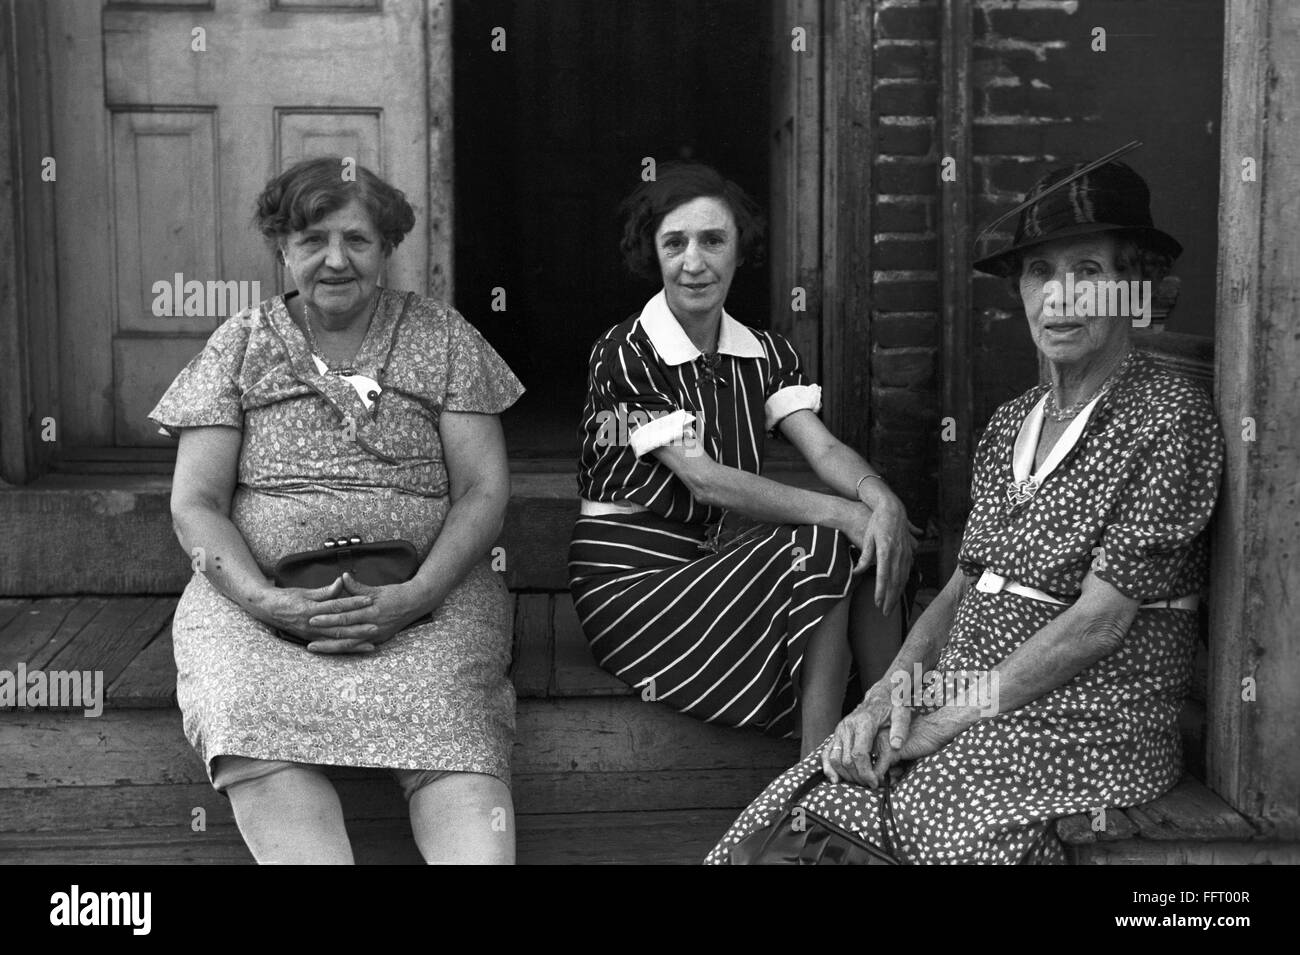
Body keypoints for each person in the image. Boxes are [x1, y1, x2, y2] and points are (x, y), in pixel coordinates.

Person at [706, 154, 1225, 864]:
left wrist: (944, 719)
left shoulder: (1168, 419)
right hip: (970, 697)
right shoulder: (1011, 422)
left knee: (925, 821)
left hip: (1084, 718)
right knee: (809, 802)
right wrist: (889, 693)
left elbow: (1098, 623)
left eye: (1089, 272)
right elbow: (960, 587)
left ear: (1133, 289)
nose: (1059, 296)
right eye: (1040, 272)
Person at [150, 157, 524, 864]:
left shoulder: (442, 337)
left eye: (357, 239)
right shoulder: (240, 343)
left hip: (430, 596)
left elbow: (484, 491)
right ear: (282, 248)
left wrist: (415, 596)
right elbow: (195, 503)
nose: (334, 259)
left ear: (386, 250)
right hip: (258, 603)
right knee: (248, 705)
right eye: (312, 238)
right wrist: (266, 602)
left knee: (451, 713)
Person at [568, 162, 917, 757]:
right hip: (634, 589)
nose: (694, 262)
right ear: (652, 253)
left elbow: (823, 447)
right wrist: (842, 513)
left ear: (738, 250)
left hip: (716, 572)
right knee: (828, 540)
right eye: (674, 243)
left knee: (869, 538)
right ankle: (817, 771)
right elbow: (703, 481)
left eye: (713, 240)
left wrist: (881, 503)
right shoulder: (626, 352)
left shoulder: (764, 352)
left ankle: (883, 741)